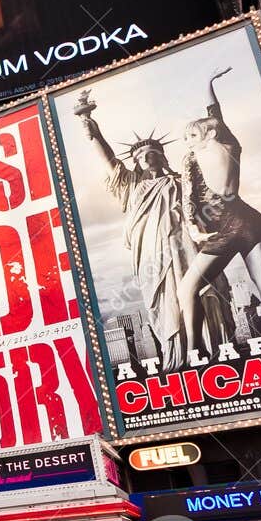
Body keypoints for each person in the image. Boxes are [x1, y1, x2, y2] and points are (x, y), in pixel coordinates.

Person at [72, 87, 192, 369]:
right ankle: (176, 353)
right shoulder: (131, 186)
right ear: (135, 162)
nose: (148, 159)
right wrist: (89, 124)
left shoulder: (180, 180)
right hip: (150, 251)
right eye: (141, 157)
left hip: (187, 246)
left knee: (199, 292)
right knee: (164, 300)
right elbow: (108, 158)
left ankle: (205, 347)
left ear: (162, 157)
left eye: (153, 154)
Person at [174, 66, 261, 353]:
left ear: (210, 132)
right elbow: (215, 115)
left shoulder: (221, 145)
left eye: (193, 135)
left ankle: (196, 352)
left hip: (229, 228)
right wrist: (208, 83)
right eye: (186, 138)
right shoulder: (215, 151)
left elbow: (215, 114)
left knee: (188, 288)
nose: (188, 142)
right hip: (246, 224)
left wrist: (207, 85)